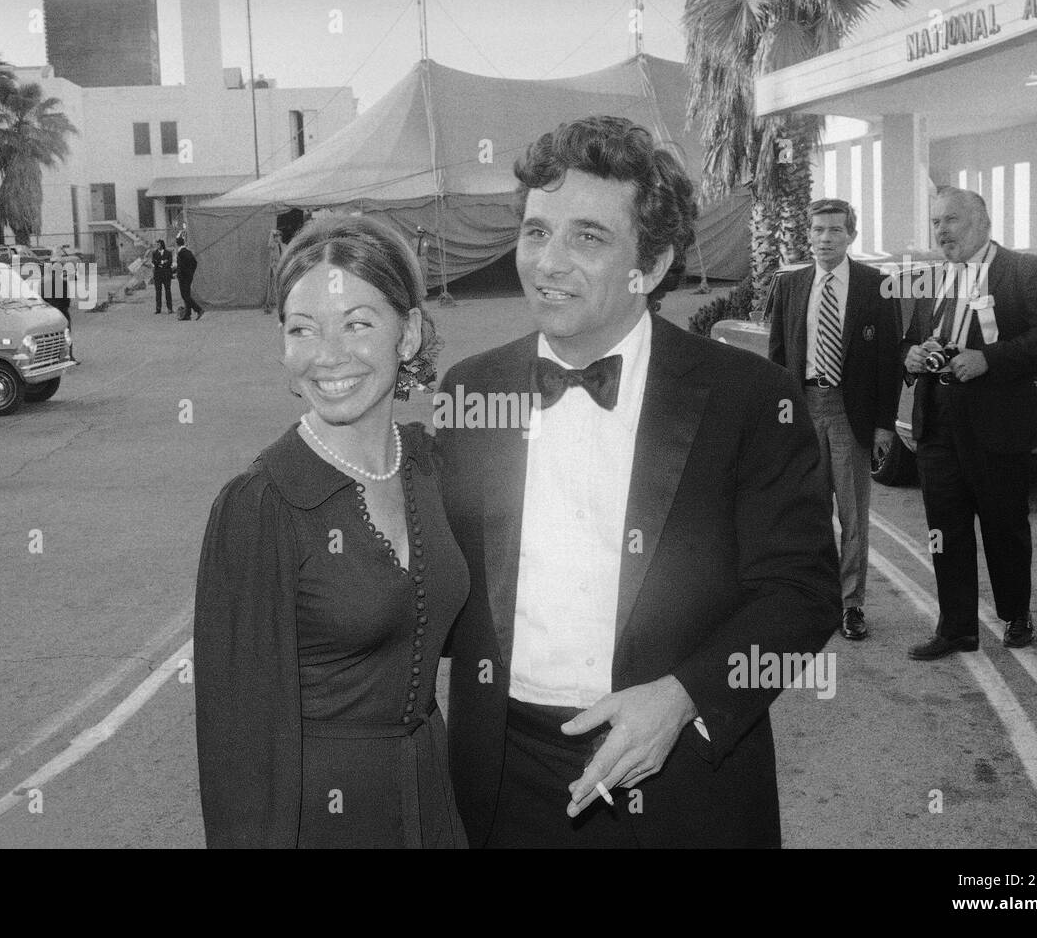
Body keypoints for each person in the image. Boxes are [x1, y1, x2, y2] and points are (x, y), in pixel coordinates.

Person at [435, 116, 841, 848]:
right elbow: (437, 583)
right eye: (535, 232)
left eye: (588, 237)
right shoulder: (470, 392)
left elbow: (804, 594)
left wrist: (686, 697)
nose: (548, 262)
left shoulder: (750, 399)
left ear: (650, 268)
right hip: (502, 784)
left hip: (683, 781)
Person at [194, 214, 468, 848]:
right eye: (303, 329)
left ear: (410, 333)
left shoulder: (433, 463)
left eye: (358, 323)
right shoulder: (260, 507)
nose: (328, 356)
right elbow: (238, 753)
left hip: (432, 809)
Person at [902, 187, 1037, 660]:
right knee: (945, 532)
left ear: (983, 222)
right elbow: (908, 340)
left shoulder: (1025, 271)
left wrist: (988, 360)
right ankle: (956, 630)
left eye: (951, 220)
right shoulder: (929, 278)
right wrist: (910, 356)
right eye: (935, 222)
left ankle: (1017, 614)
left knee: (1005, 527)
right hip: (937, 429)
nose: (941, 230)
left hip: (998, 429)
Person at [768, 198, 902, 642]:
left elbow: (888, 361)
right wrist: (781, 419)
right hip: (803, 408)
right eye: (818, 230)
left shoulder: (875, 286)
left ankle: (851, 605)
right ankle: (813, 600)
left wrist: (883, 424)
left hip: (850, 412)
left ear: (851, 235)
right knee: (806, 513)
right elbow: (778, 358)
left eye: (835, 230)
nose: (825, 239)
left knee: (853, 516)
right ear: (808, 233)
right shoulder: (790, 286)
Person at [175, 235, 203, 321]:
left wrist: (182, 273)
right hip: (187, 277)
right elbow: (194, 263)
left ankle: (198, 310)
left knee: (185, 295)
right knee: (187, 295)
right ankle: (187, 314)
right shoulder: (188, 252)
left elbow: (182, 266)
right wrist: (191, 273)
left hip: (183, 278)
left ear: (177, 244)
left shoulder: (181, 253)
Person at [151, 239, 173, 314]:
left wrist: (159, 263)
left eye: (158, 244)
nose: (157, 246)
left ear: (162, 245)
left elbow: (170, 262)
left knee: (168, 291)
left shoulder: (168, 253)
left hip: (166, 274)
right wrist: (163, 261)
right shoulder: (154, 253)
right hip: (157, 275)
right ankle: (158, 308)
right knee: (158, 292)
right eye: (156, 244)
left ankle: (170, 308)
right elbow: (154, 262)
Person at [263, 230, 283, 314]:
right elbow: (269, 244)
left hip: (279, 265)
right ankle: (270, 305)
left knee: (277, 285)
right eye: (278, 237)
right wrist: (272, 232)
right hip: (274, 266)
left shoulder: (280, 245)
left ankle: (276, 304)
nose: (280, 238)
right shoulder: (273, 245)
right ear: (275, 238)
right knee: (274, 285)